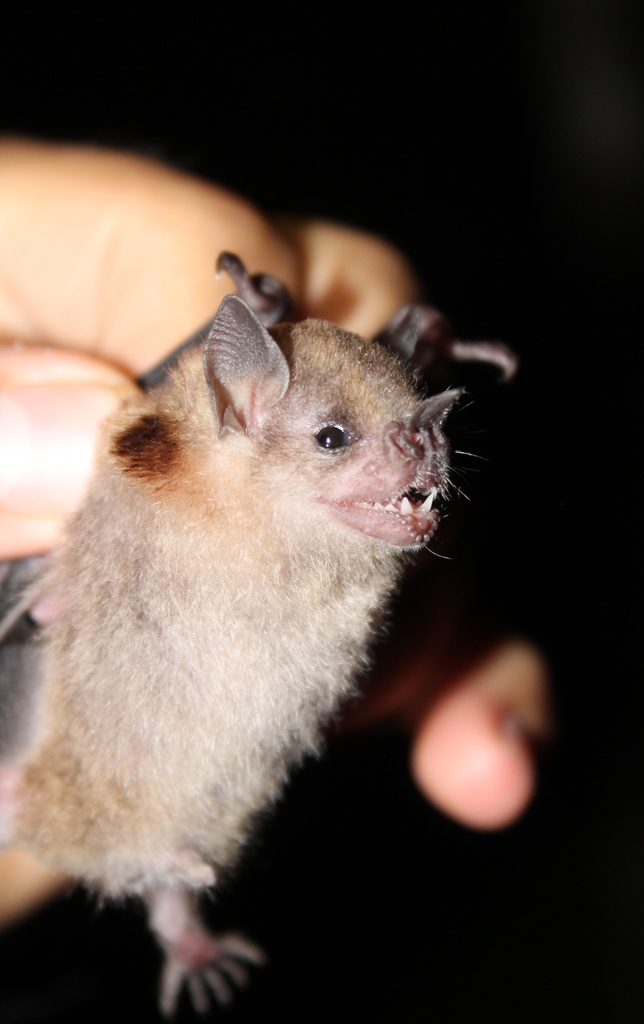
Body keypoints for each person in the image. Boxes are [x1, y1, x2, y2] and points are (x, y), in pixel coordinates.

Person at [0, 138, 550, 927]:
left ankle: (171, 911)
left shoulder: (325, 546)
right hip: (83, 751)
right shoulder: (159, 477)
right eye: (333, 439)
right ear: (245, 404)